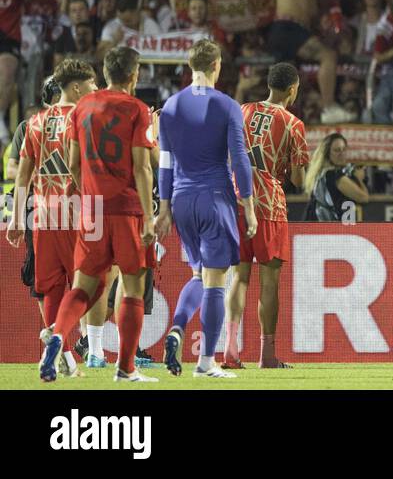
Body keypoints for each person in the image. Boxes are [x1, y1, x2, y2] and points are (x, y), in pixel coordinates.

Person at [41, 47, 157, 384]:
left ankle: (60, 336)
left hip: (91, 209)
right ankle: (126, 368)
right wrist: (150, 216)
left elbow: (72, 163)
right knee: (133, 287)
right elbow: (142, 167)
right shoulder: (137, 109)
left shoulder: (81, 108)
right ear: (133, 75)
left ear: (105, 74)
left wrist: (87, 192)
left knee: (84, 285)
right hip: (126, 210)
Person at [156, 39, 257, 379]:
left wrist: (164, 208)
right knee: (217, 281)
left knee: (198, 274)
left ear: (189, 65)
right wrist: (249, 205)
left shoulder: (170, 106)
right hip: (214, 197)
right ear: (217, 66)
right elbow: (239, 160)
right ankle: (205, 363)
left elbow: (165, 164)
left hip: (181, 200)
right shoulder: (227, 106)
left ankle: (178, 326)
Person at [7, 59, 97, 378]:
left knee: (52, 289)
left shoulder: (34, 123)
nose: (95, 90)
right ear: (75, 87)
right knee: (90, 285)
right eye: (91, 84)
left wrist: (17, 218)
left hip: (43, 215)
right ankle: (66, 342)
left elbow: (22, 178)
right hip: (85, 214)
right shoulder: (87, 118)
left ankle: (60, 349)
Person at [221, 62, 309, 370]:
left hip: (236, 201)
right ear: (292, 90)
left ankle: (230, 350)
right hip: (269, 205)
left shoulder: (242, 110)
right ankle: (267, 354)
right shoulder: (292, 123)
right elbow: (298, 180)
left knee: (239, 278)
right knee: (269, 281)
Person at [303, 133, 368, 220]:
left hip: (313, 228)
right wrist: (359, 179)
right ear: (327, 154)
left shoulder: (320, 173)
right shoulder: (332, 175)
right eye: (337, 150)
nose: (341, 153)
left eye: (344, 149)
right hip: (323, 230)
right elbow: (363, 198)